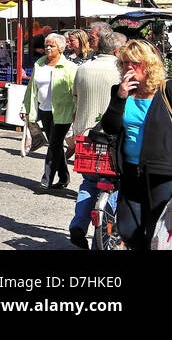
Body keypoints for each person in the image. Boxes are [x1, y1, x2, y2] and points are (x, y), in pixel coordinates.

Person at [100, 39, 172, 250]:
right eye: (124, 63)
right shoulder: (120, 91)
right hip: (130, 171)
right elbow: (110, 127)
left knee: (157, 230)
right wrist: (120, 97)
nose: (129, 67)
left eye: (135, 62)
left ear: (149, 65)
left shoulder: (166, 91)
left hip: (163, 173)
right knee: (129, 229)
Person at [67, 30, 125, 248]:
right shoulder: (121, 72)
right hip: (112, 138)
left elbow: (75, 98)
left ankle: (78, 224)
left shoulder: (82, 68)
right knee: (114, 184)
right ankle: (104, 237)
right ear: (117, 50)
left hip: (86, 136)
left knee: (89, 182)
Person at [22, 32, 77, 190]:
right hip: (44, 109)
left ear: (60, 48)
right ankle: (64, 177)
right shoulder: (39, 63)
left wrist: (76, 110)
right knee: (56, 144)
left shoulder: (70, 67)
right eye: (46, 45)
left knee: (54, 144)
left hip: (63, 111)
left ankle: (46, 179)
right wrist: (25, 107)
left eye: (51, 45)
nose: (47, 48)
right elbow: (31, 88)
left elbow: (76, 91)